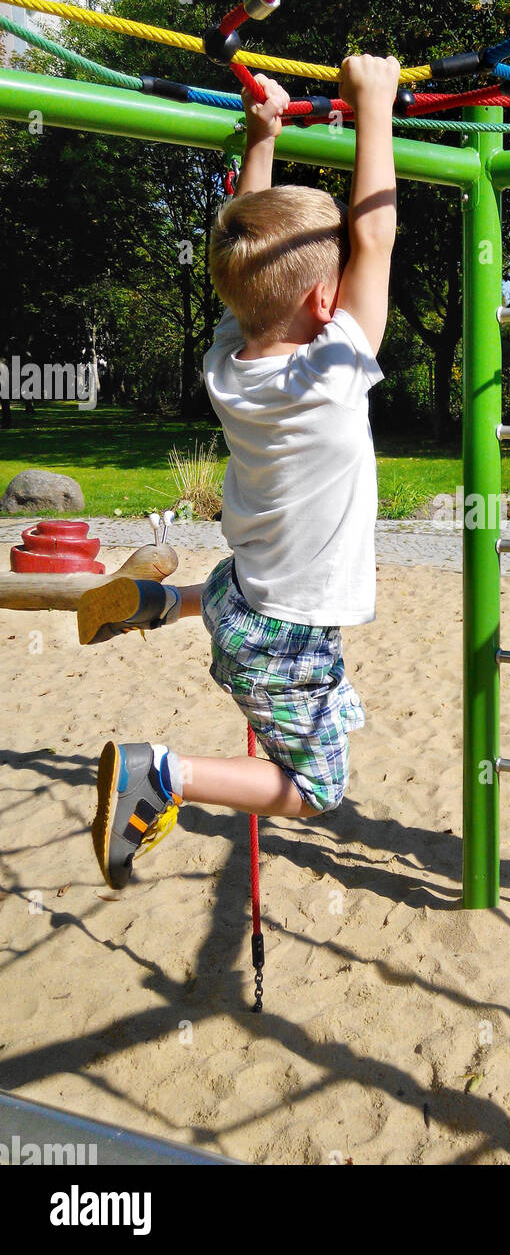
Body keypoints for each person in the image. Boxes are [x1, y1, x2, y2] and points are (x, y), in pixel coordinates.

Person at [80, 55, 400, 890]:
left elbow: (255, 243)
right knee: (318, 789)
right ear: (325, 302)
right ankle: (165, 775)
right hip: (277, 619)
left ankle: (155, 602)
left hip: (247, 595)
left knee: (240, 601)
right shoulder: (329, 374)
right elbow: (371, 235)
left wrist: (265, 137)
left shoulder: (235, 360)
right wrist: (375, 107)